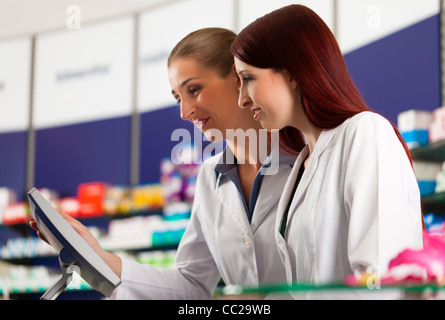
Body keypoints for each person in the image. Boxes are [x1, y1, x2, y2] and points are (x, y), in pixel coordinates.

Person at [31, 27, 296, 299]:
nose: (184, 112)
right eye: (178, 97)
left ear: (238, 77)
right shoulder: (209, 176)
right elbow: (191, 284)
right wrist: (97, 256)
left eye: (194, 89)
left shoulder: (305, 159)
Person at [230, 5, 424, 286]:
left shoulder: (365, 132)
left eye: (248, 78)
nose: (242, 100)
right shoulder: (302, 164)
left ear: (293, 73)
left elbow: (382, 280)